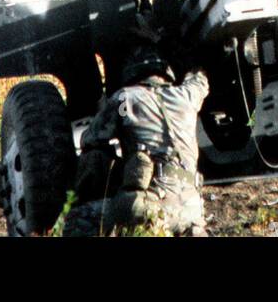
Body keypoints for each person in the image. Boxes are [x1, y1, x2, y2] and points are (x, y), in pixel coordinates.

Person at [62, 45, 209, 236]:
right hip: (192, 209)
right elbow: (199, 76)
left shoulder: (125, 99)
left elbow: (91, 140)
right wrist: (166, 41)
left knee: (77, 219)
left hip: (153, 206)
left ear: (132, 74)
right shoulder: (187, 97)